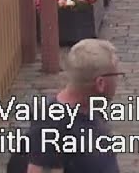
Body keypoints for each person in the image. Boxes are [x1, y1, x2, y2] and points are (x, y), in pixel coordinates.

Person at [17, 39, 123, 173]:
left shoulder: (92, 108)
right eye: (116, 76)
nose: (117, 82)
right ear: (100, 83)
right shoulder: (51, 128)